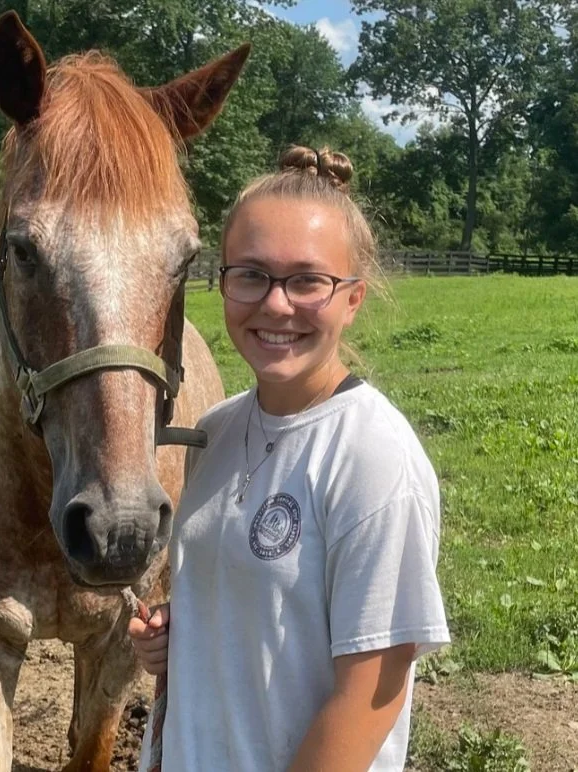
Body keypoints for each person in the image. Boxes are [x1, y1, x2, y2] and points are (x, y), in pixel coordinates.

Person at [128, 145, 451, 772]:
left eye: (307, 281)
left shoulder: (372, 459)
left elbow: (371, 697)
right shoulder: (217, 432)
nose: (275, 304)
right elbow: (258, 605)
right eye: (250, 275)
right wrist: (182, 632)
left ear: (353, 298)